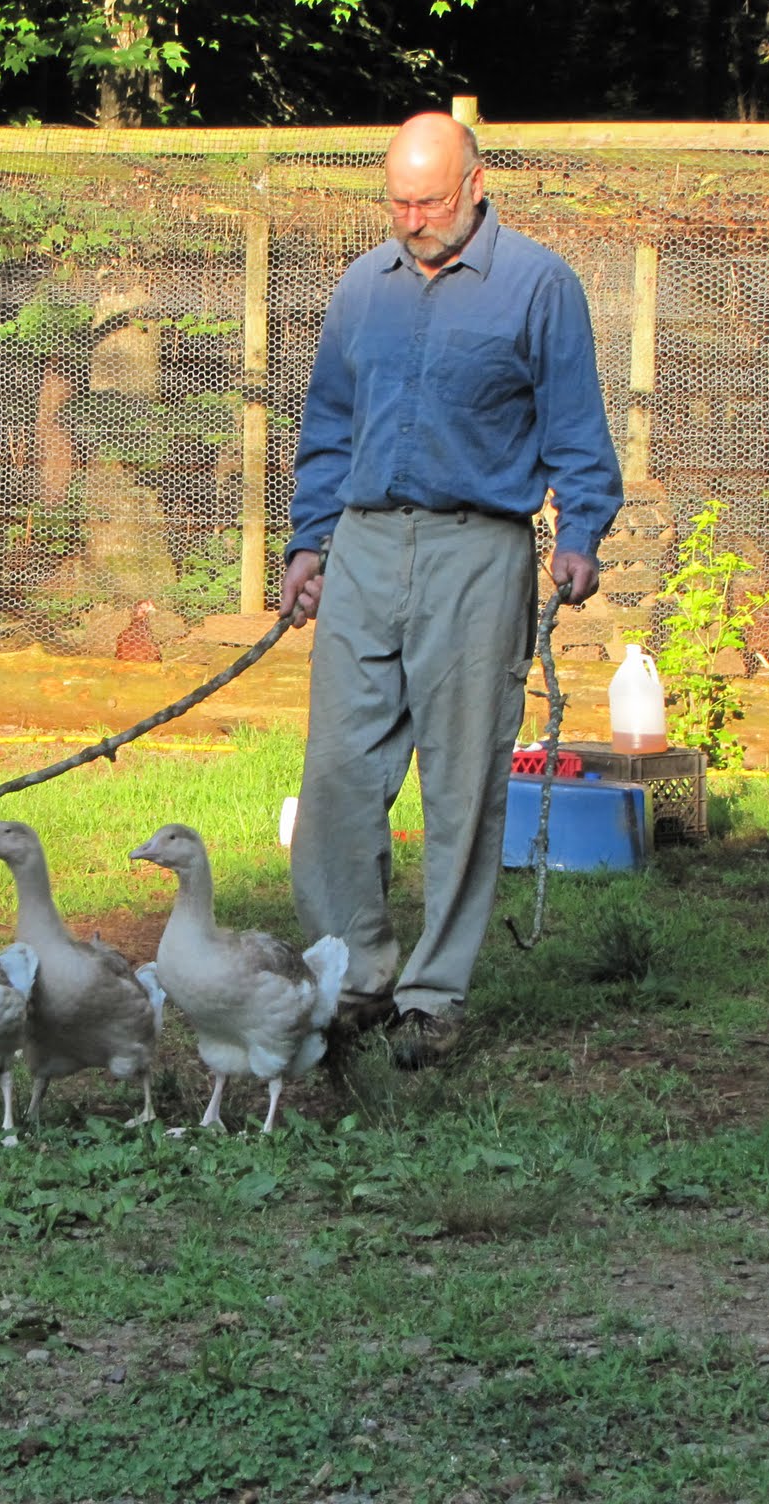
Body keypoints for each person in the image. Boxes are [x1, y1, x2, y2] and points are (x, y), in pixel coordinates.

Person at [279, 111, 623, 1068]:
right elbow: (329, 422)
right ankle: (353, 976)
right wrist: (309, 542)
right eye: (397, 200)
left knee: (465, 777)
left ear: (476, 184)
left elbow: (578, 429)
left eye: (428, 200)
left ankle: (433, 995)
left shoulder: (539, 286)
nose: (411, 217)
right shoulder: (362, 287)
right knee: (339, 771)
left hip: (480, 551)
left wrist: (582, 533)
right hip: (365, 544)